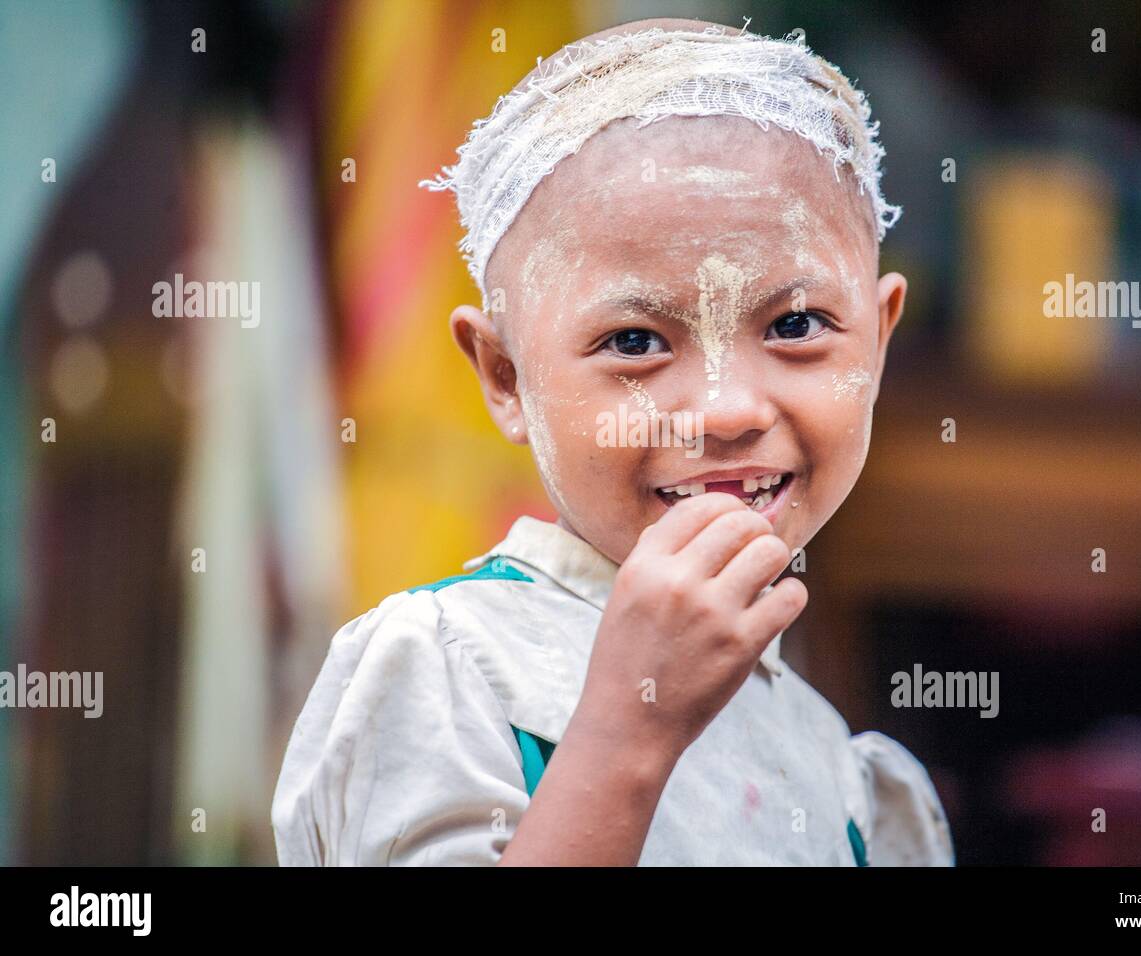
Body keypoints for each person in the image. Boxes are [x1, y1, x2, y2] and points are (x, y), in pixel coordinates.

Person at [272, 17, 954, 866]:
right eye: (636, 342)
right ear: (505, 376)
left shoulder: (835, 771)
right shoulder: (448, 671)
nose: (726, 410)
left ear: (879, 342)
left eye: (797, 324)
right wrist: (630, 731)